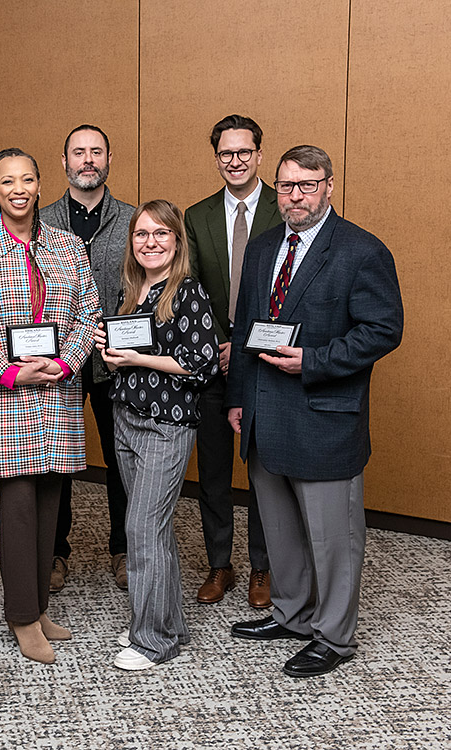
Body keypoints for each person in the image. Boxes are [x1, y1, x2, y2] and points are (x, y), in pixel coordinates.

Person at [227, 145, 403, 677]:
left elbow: (383, 330)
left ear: (328, 186)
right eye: (286, 185)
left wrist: (314, 360)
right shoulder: (262, 248)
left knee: (333, 540)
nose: (295, 195)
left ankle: (334, 637)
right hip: (263, 412)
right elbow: (245, 327)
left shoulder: (361, 250)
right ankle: (292, 615)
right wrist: (237, 397)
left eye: (307, 185)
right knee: (280, 532)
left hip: (324, 414)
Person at [0, 148, 100, 664]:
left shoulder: (68, 246)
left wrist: (66, 362)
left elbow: (89, 313)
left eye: (27, 179)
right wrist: (9, 372)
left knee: (49, 504)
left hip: (56, 391)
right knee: (18, 509)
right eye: (7, 181)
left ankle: (39, 606)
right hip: (3, 399)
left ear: (39, 185)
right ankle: (21, 616)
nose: (19, 189)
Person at [94, 200, 221, 671]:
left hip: (164, 426)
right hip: (126, 417)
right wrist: (110, 354)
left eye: (161, 233)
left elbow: (201, 363)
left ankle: (153, 641)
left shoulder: (186, 292)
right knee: (154, 530)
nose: (150, 242)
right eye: (141, 234)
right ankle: (169, 625)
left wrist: (136, 359)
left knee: (142, 529)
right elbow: (124, 353)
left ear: (177, 241)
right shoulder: (132, 290)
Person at [185, 114, 283, 608]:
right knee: (214, 472)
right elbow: (191, 289)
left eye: (245, 151)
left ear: (260, 155)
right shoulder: (196, 215)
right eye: (226, 153)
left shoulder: (284, 207)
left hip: (266, 362)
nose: (236, 161)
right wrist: (221, 344)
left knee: (264, 471)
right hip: (214, 360)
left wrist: (244, 346)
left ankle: (263, 566)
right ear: (216, 158)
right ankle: (219, 563)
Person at [40, 124, 134, 593]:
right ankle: (55, 551)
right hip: (56, 361)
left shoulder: (134, 220)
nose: (88, 160)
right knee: (55, 458)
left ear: (109, 159)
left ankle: (123, 549)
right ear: (64, 162)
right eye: (79, 152)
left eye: (96, 151)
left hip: (116, 361)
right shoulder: (39, 221)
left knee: (121, 458)